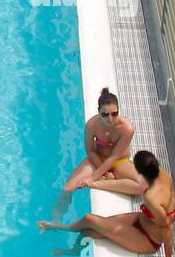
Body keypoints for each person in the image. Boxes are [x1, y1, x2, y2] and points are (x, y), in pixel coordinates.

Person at [37, 149, 175, 257]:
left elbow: (167, 227)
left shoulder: (151, 197)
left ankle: (59, 226)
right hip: (141, 220)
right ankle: (74, 251)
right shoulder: (163, 174)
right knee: (88, 232)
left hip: (148, 240)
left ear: (139, 171)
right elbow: (167, 206)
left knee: (89, 219)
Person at [51, 87, 144, 221]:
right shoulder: (91, 125)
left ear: (118, 110)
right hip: (97, 158)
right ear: (98, 111)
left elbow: (114, 157)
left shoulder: (127, 128)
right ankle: (55, 219)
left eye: (114, 113)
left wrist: (93, 179)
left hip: (119, 161)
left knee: (142, 185)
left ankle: (98, 184)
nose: (110, 119)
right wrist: (105, 174)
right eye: (105, 114)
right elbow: (90, 151)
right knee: (67, 188)